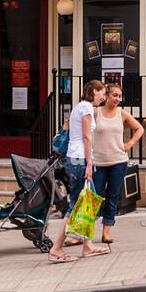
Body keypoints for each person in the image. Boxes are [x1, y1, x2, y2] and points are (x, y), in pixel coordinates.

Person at [48, 81, 109, 262]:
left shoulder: (78, 107)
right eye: (102, 93)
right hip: (80, 159)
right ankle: (56, 248)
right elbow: (85, 137)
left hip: (74, 159)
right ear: (94, 92)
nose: (103, 97)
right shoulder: (87, 108)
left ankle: (87, 245)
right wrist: (90, 164)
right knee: (76, 204)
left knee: (89, 201)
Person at [91, 82, 145, 244]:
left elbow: (140, 129)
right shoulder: (95, 112)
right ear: (106, 96)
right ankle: (83, 233)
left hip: (118, 161)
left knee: (113, 197)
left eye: (119, 96)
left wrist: (129, 144)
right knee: (93, 197)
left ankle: (106, 231)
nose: (117, 99)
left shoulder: (122, 113)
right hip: (98, 162)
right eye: (114, 95)